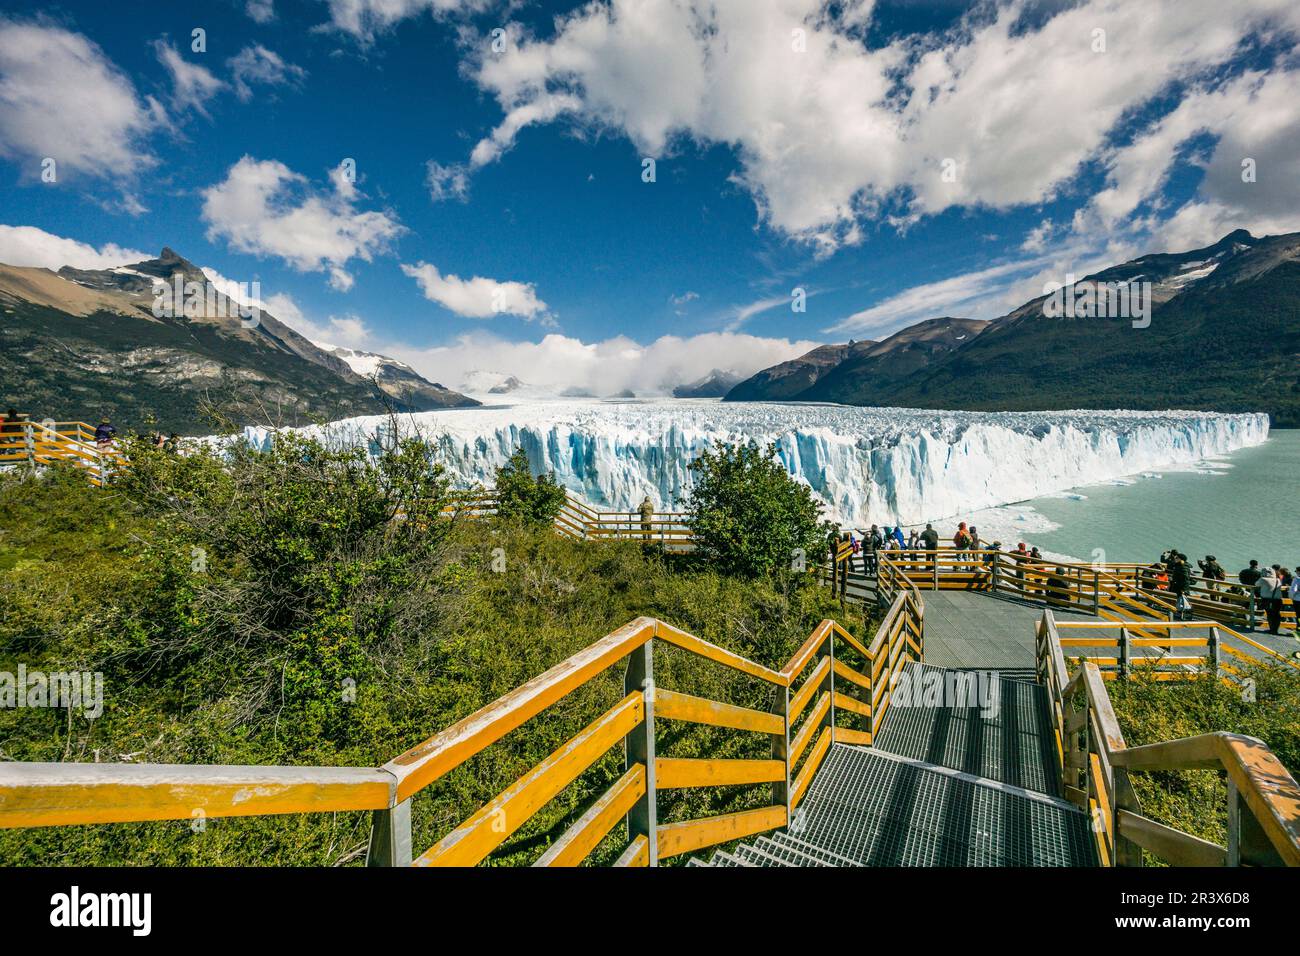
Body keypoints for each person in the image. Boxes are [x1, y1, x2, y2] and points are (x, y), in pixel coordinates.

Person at [1257, 565, 1284, 635]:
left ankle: (1271, 629)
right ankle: (1275, 630)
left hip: (1267, 600)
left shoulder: (1263, 579)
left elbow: (1256, 584)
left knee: (1269, 614)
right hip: (1278, 600)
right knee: (1277, 614)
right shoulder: (1278, 580)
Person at [1168, 552, 1192, 621]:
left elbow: (1185, 578)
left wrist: (1184, 589)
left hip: (1182, 587)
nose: (1175, 559)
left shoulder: (1183, 566)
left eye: (1176, 558)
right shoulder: (1178, 565)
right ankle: (1179, 613)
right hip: (1178, 586)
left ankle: (1181, 614)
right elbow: (1169, 566)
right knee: (1180, 600)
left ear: (1181, 559)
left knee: (1182, 601)